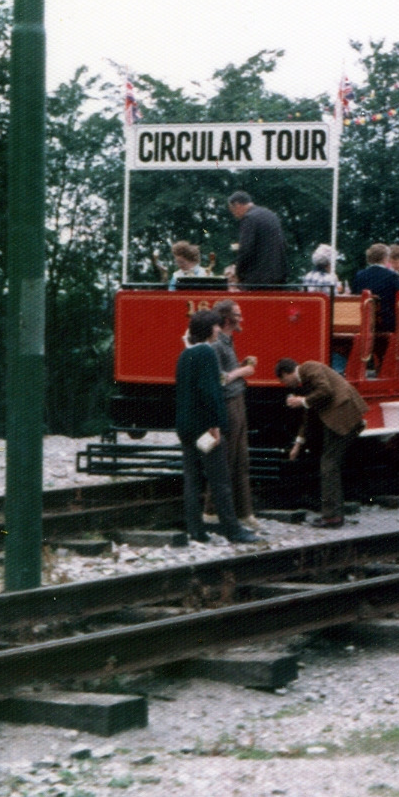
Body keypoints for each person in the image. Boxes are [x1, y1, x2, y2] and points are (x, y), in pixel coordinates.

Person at [174, 309, 258, 544]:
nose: (219, 330)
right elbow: (210, 391)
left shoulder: (185, 355)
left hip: (185, 426)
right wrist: (215, 424)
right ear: (210, 329)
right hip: (204, 427)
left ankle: (196, 530)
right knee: (220, 478)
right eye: (216, 326)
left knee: (191, 479)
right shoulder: (207, 353)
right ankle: (233, 529)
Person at [277, 357, 368, 527]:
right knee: (330, 464)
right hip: (339, 417)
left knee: (328, 464)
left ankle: (332, 517)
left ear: (286, 373)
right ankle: (333, 513)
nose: (286, 384)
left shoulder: (309, 368)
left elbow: (325, 390)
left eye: (283, 380)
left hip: (342, 416)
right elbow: (308, 416)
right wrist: (298, 444)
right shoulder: (307, 380)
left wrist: (302, 401)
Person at [210, 299, 258, 530]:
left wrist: (240, 367)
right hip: (229, 404)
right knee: (226, 460)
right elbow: (218, 379)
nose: (242, 319)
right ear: (227, 319)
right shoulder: (217, 345)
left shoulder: (227, 341)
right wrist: (243, 370)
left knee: (241, 460)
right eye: (238, 315)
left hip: (237, 401)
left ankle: (244, 513)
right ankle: (213, 512)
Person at [228, 191, 288, 287]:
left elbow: (245, 249)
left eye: (232, 211)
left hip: (256, 279)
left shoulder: (249, 218)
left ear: (237, 205)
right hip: (278, 275)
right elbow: (283, 244)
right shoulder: (271, 215)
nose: (235, 215)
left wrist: (238, 273)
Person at [350, 242, 399, 333]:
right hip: (386, 323)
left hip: (362, 321)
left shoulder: (359, 275)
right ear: (385, 258)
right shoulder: (392, 276)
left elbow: (354, 296)